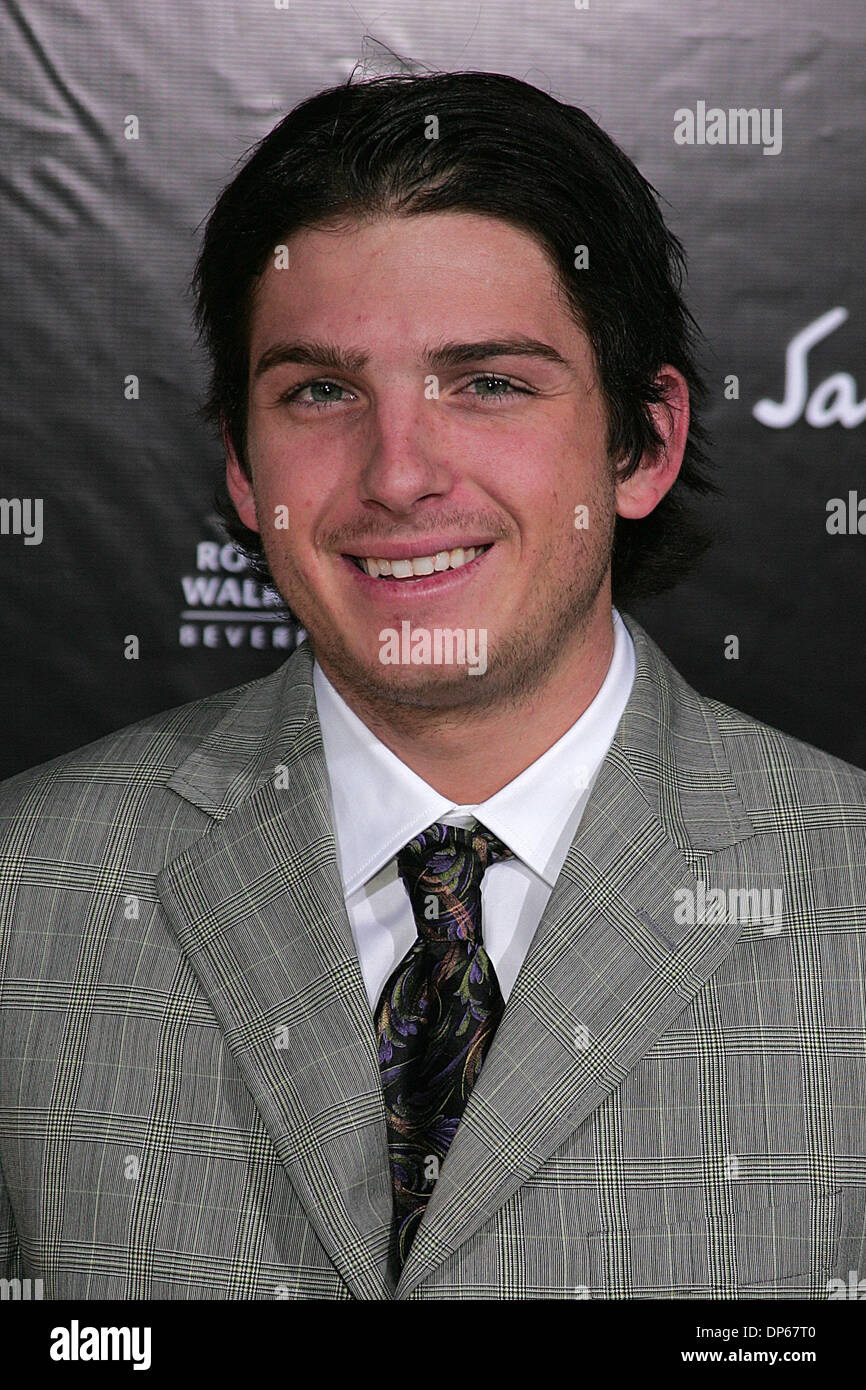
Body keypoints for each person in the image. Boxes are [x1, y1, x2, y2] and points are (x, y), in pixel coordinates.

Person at [0, 70, 863, 1302]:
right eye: (320, 392)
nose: (397, 474)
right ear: (242, 471)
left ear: (642, 443)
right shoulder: (21, 893)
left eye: (489, 382)